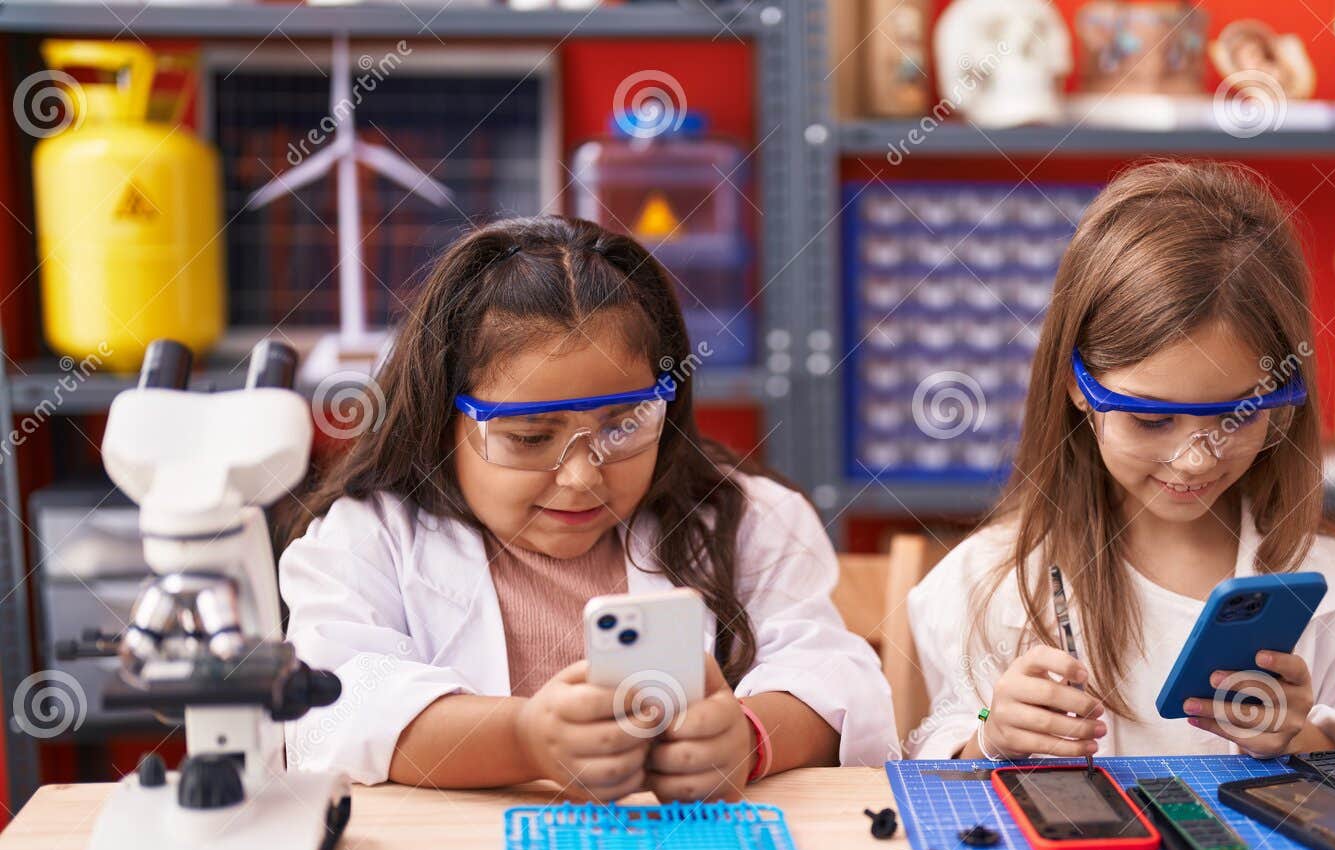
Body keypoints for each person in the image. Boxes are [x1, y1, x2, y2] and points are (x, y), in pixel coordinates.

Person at [279, 216, 896, 796]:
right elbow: (336, 706)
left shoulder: (749, 520)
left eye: (623, 427)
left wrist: (749, 739)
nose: (580, 476)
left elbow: (833, 678)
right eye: (530, 438)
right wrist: (524, 741)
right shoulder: (369, 539)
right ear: (443, 423)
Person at [907, 161, 1335, 760]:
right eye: (1152, 419)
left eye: (1238, 416)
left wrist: (1304, 742)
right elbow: (933, 770)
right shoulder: (984, 584)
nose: (1194, 460)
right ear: (1076, 384)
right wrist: (990, 738)